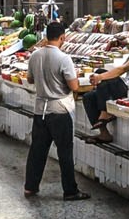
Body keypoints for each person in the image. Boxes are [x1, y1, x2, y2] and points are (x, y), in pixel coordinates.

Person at [23, 24, 90, 201]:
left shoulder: (35, 55)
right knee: (65, 152)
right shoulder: (63, 58)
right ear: (62, 37)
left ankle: (30, 186)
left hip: (40, 110)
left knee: (37, 150)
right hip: (60, 111)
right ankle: (70, 191)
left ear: (46, 36)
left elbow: (29, 79)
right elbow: (74, 86)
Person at [83, 21, 129, 143]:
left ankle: (105, 113)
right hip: (125, 85)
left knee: (104, 77)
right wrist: (99, 76)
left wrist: (100, 77)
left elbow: (122, 69)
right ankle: (104, 133)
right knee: (88, 97)